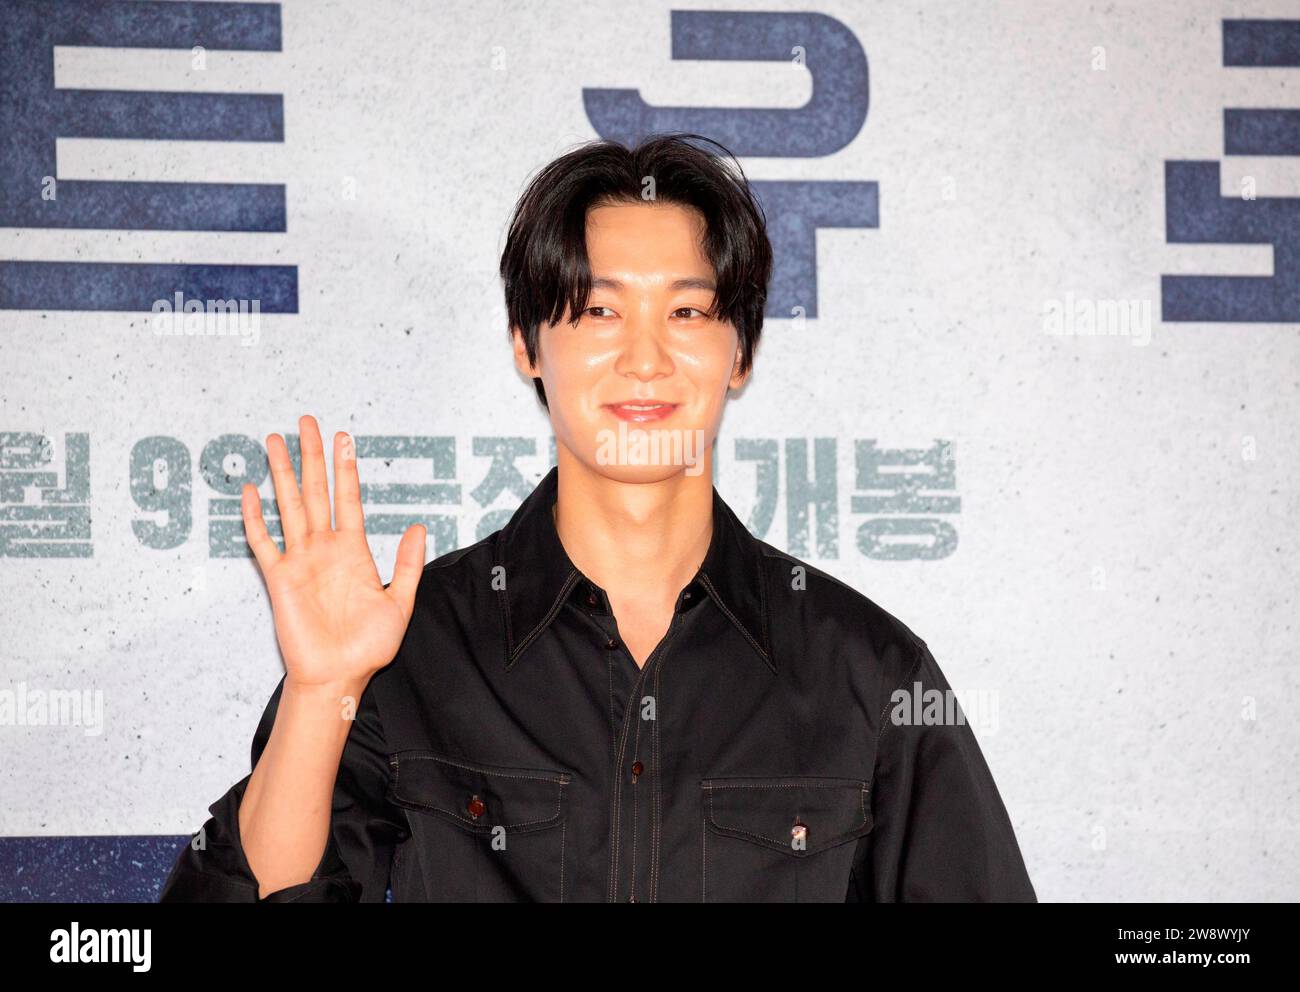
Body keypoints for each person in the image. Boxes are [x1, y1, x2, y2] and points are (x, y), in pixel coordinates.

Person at [159, 132, 1036, 903]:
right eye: (599, 310)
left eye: (688, 311)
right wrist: (323, 692)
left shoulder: (868, 671)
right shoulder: (408, 646)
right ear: (525, 344)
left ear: (742, 351)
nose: (646, 358)